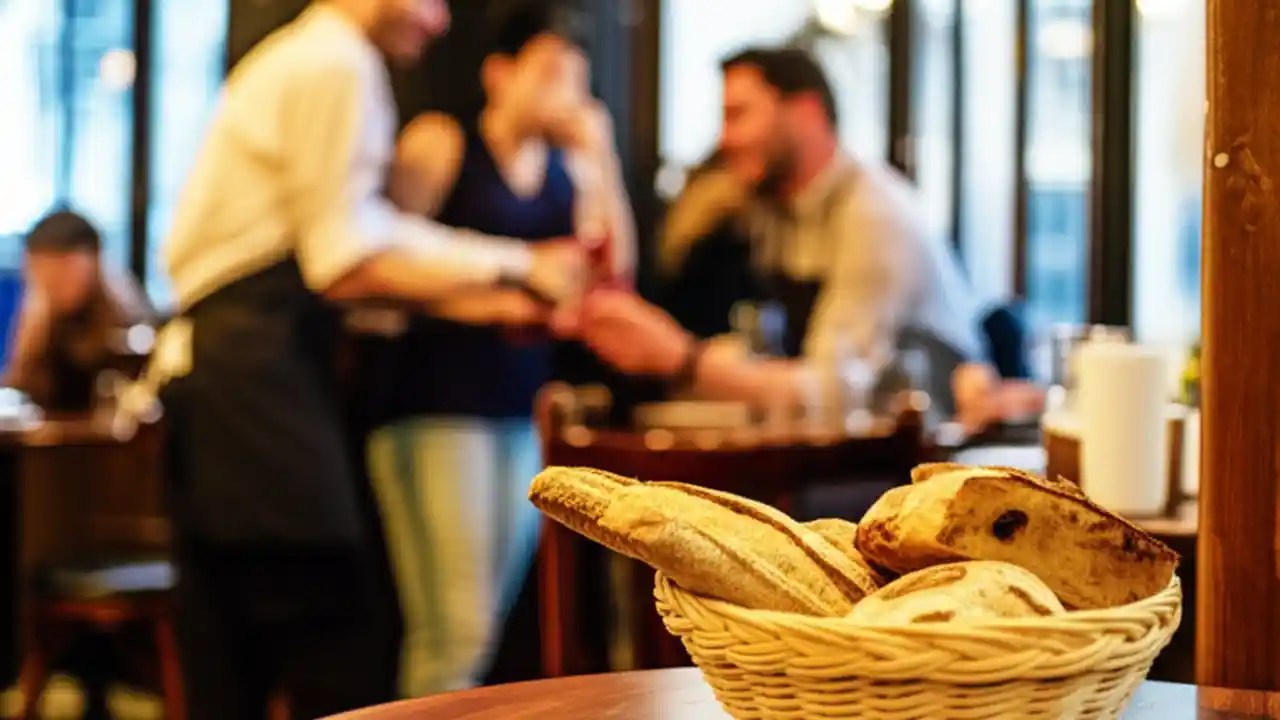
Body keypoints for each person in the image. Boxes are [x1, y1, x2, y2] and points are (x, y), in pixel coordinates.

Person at [157, 1, 585, 718]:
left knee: (241, 642)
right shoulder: (336, 62)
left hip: (244, 359)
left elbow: (353, 244)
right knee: (329, 636)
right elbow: (346, 258)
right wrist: (517, 264)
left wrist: (505, 287)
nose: (440, 21)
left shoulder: (317, 56)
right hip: (253, 363)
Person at [363, 3, 634, 696]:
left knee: (483, 627)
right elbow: (373, 278)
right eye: (549, 73)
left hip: (519, 412)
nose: (564, 94)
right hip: (434, 408)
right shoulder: (442, 143)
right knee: (454, 629)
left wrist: (601, 154)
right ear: (499, 74)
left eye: (576, 79)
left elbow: (614, 275)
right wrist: (505, 300)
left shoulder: (565, 169)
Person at [575, 48, 1003, 429]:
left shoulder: (875, 217)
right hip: (837, 456)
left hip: (917, 460)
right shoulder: (772, 210)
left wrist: (683, 360)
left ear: (806, 113)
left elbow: (832, 396)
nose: (725, 139)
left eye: (738, 115)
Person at [4, 210, 151, 412]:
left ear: (96, 262)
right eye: (43, 278)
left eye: (63, 272)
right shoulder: (39, 318)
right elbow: (19, 391)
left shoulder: (128, 318)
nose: (52, 284)